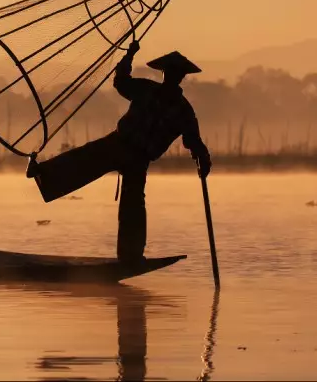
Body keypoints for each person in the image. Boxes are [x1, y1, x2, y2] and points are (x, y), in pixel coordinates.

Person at [25, 40, 212, 264]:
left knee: (133, 204)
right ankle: (42, 174)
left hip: (139, 159)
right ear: (166, 73)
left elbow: (193, 140)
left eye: (176, 74)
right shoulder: (148, 90)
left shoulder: (183, 110)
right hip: (120, 143)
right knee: (85, 158)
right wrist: (129, 56)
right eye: (170, 72)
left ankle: (130, 256)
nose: (172, 76)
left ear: (181, 76)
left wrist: (203, 158)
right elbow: (121, 82)